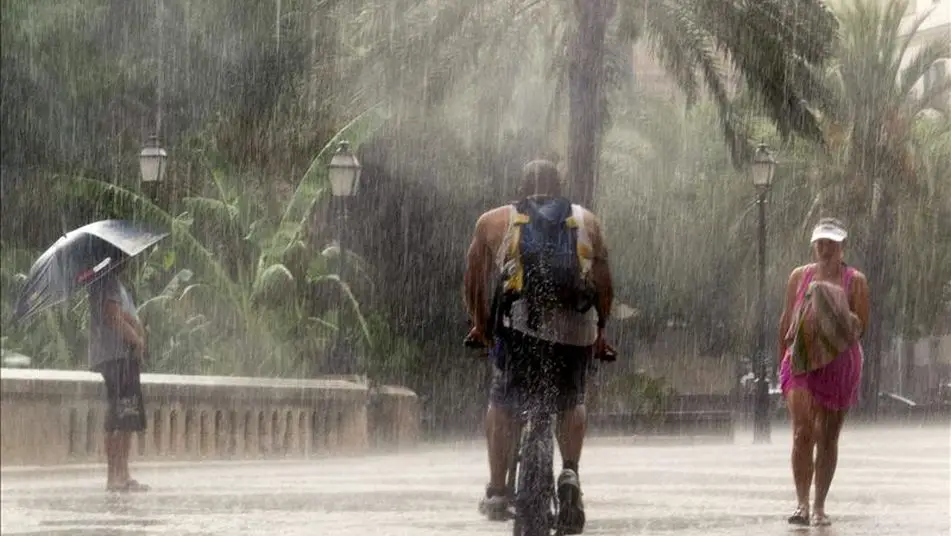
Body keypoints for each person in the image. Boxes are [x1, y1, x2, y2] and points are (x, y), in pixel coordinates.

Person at [463, 160, 613, 534]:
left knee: (503, 402)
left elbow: (473, 282)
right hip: (575, 333)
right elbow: (604, 285)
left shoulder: (494, 222)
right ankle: (570, 472)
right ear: (560, 187)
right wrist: (602, 332)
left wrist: (481, 326)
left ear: (521, 187)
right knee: (571, 399)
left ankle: (498, 489)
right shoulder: (587, 222)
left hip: (520, 332)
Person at [777, 218, 869, 527]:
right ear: (813, 245)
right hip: (800, 360)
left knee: (827, 437)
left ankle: (819, 507)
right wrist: (783, 362)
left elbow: (861, 326)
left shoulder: (855, 281)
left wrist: (836, 312)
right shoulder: (798, 277)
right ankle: (801, 504)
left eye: (831, 242)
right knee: (803, 432)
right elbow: (786, 320)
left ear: (843, 246)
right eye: (820, 242)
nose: (825, 248)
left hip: (839, 363)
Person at [88, 265, 150, 492]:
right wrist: (136, 340)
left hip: (119, 358)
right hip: (117, 357)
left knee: (127, 414)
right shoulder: (107, 280)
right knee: (120, 414)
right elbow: (112, 315)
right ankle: (116, 476)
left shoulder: (109, 281)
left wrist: (133, 321)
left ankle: (122, 473)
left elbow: (117, 312)